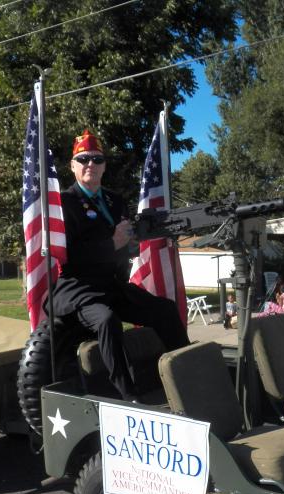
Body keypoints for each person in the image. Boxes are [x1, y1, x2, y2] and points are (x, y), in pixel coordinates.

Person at [51, 129, 189, 401]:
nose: (91, 164)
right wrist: (112, 243)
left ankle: (185, 373)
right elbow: (67, 253)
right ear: (72, 166)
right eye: (84, 159)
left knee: (165, 309)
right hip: (80, 288)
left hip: (112, 285)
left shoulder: (114, 200)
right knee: (106, 320)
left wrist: (139, 239)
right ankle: (126, 394)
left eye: (97, 160)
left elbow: (127, 241)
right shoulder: (63, 203)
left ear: (104, 166)